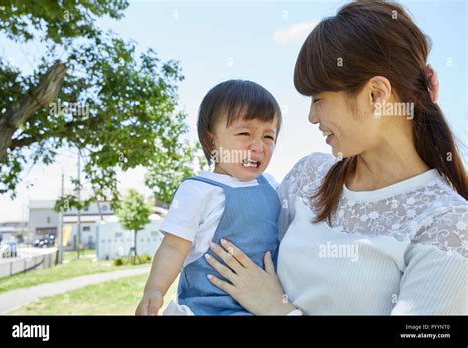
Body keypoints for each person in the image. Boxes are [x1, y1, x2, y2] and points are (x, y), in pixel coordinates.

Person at [204, 0, 467, 315]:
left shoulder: (449, 226)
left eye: (318, 99)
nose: (312, 117)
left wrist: (279, 310)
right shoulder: (308, 176)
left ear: (376, 95)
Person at [135, 79, 283, 315]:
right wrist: (154, 290)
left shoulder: (273, 187)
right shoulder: (198, 190)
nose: (258, 146)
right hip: (208, 307)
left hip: (264, 306)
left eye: (268, 137)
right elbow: (173, 247)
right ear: (211, 139)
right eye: (245, 133)